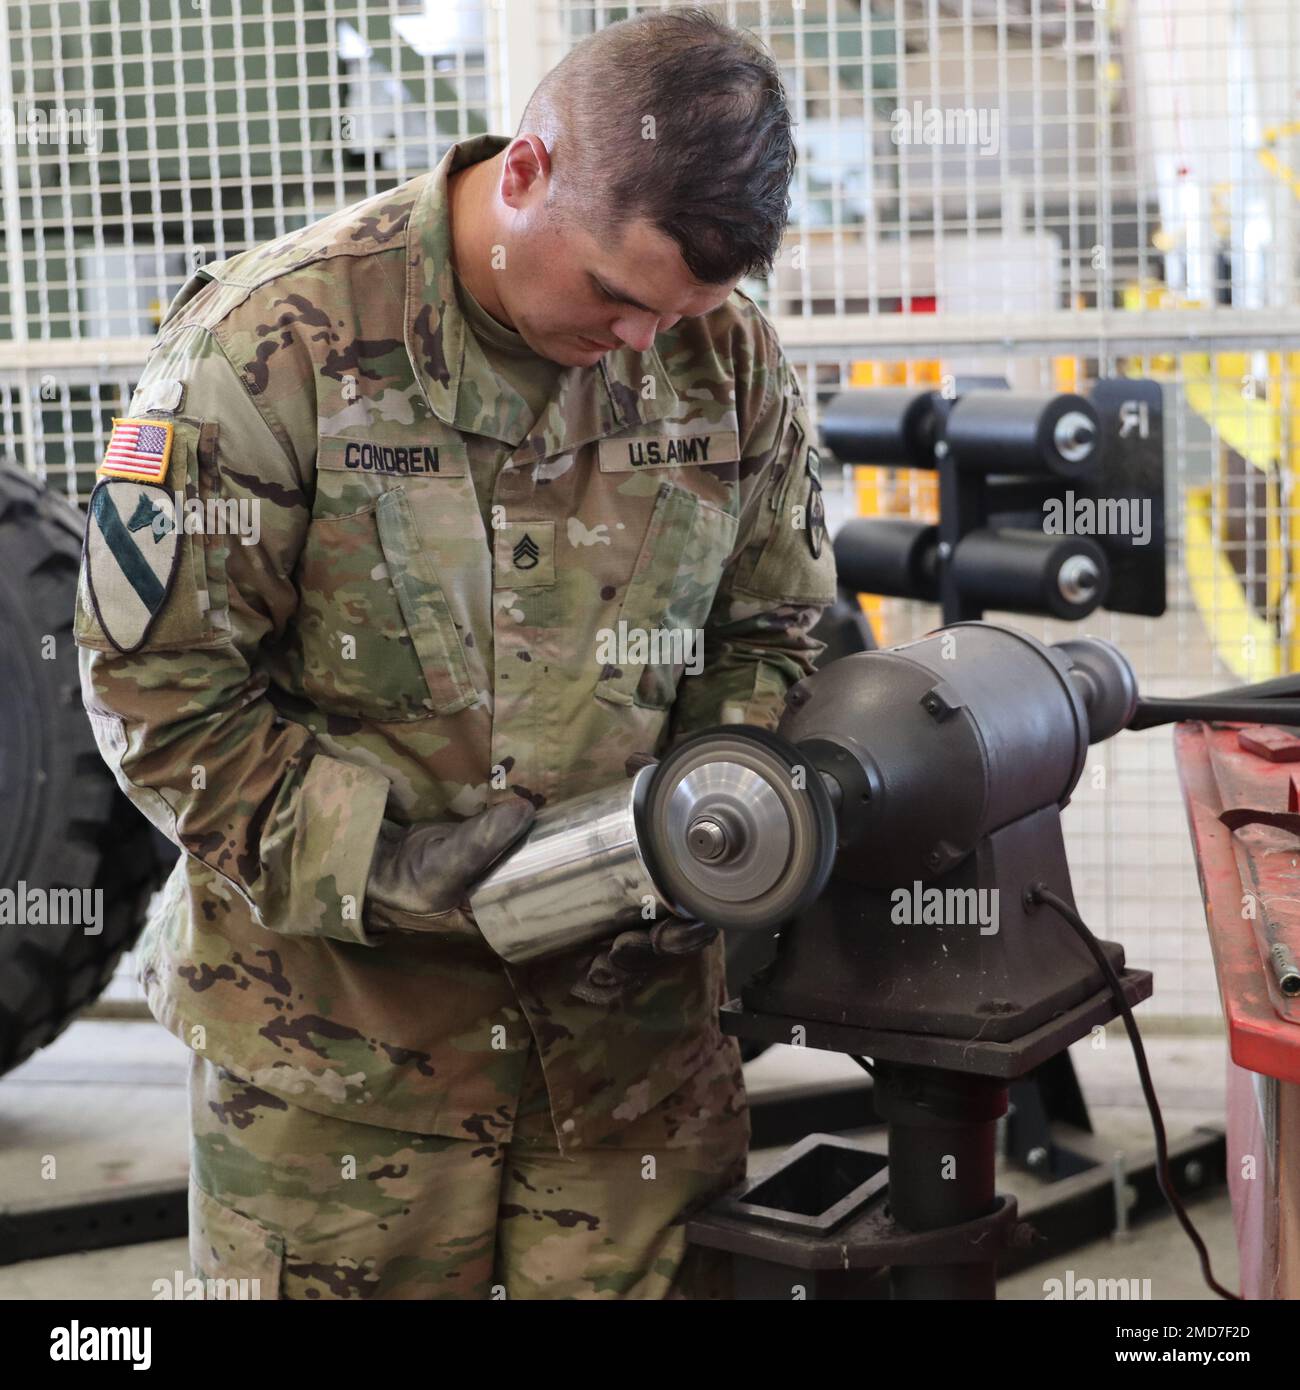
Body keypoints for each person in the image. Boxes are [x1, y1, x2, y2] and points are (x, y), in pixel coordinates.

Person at [76, 6, 836, 1299]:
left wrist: (709, 812)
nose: (643, 343)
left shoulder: (724, 356)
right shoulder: (275, 349)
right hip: (339, 1072)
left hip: (630, 1058)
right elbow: (158, 689)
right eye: (614, 292)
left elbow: (771, 627)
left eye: (687, 307)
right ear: (527, 172)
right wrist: (382, 859)